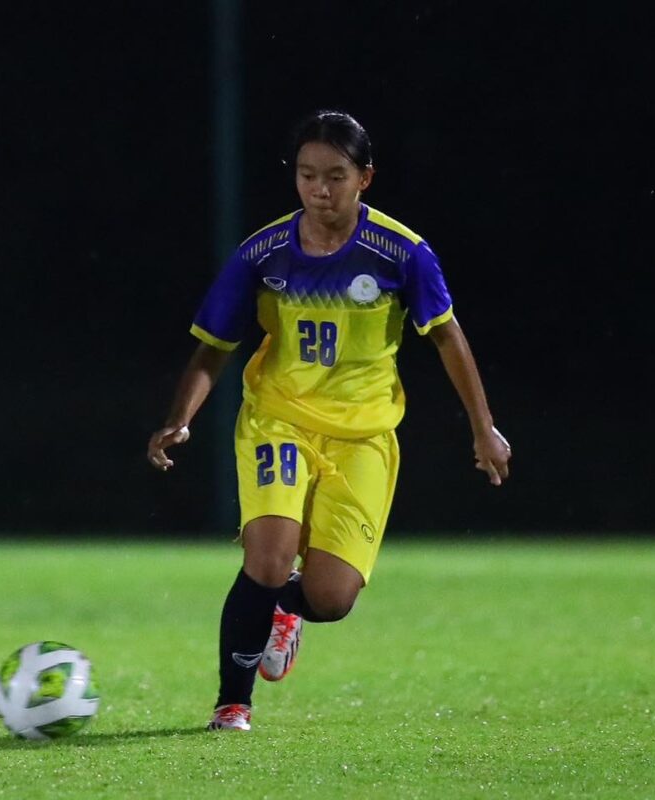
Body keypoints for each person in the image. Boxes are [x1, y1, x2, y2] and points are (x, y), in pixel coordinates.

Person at [147, 110, 512, 732]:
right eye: (307, 175)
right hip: (279, 420)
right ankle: (232, 703)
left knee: (332, 597)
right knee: (267, 557)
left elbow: (447, 338)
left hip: (364, 435)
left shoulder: (402, 253)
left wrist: (484, 426)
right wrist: (180, 417)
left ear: (365, 178)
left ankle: (287, 609)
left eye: (336, 176)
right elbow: (214, 345)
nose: (320, 189)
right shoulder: (262, 253)